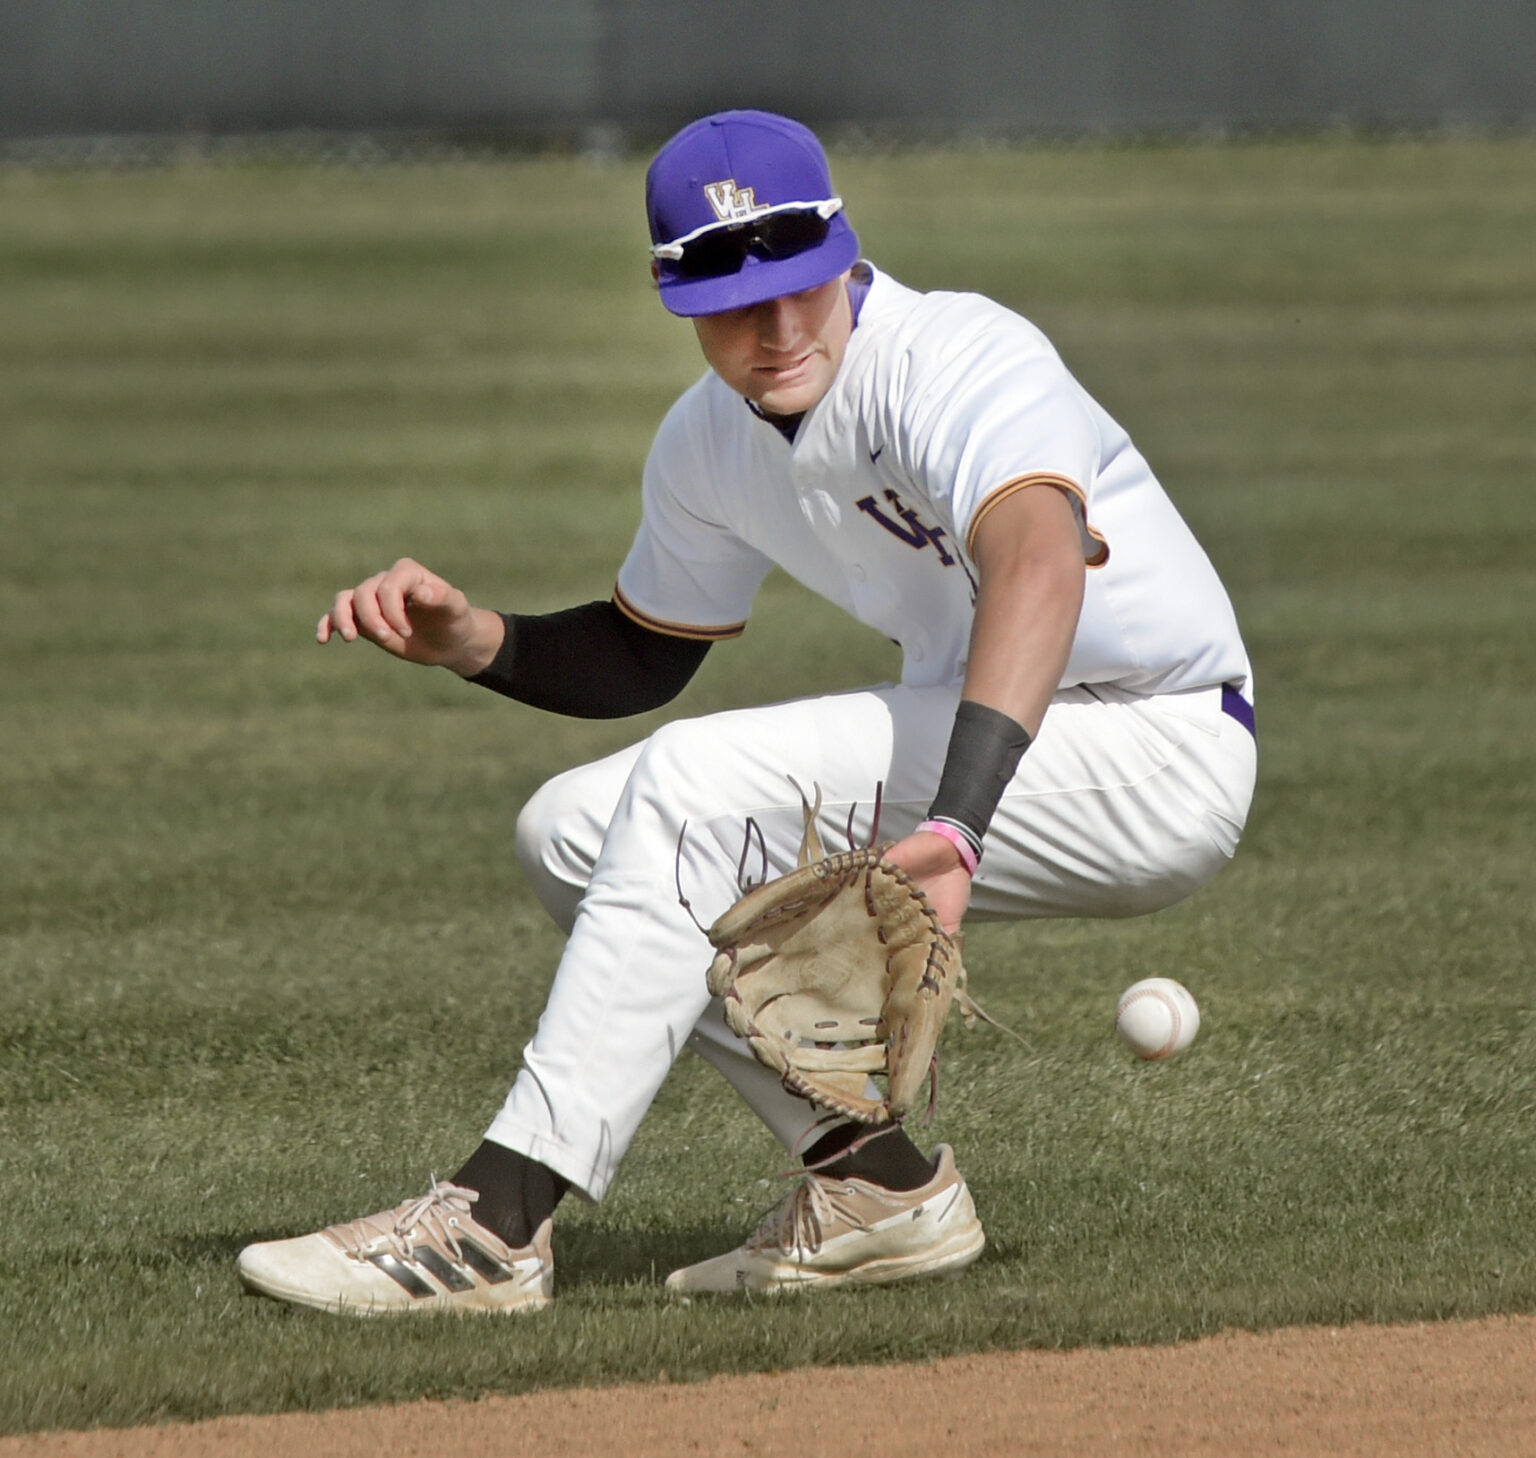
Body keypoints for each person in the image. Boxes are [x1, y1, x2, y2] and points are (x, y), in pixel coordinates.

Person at [236, 110, 1256, 1314]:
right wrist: (479, 643)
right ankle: (877, 1184)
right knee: (569, 830)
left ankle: (491, 1227)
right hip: (997, 736)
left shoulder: (959, 357)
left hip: (1156, 740)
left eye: (797, 285)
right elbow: (642, 655)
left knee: (691, 786)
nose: (775, 331)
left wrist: (959, 829)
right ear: (673, 295)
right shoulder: (708, 444)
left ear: (843, 252)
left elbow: (1039, 563)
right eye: (730, 299)